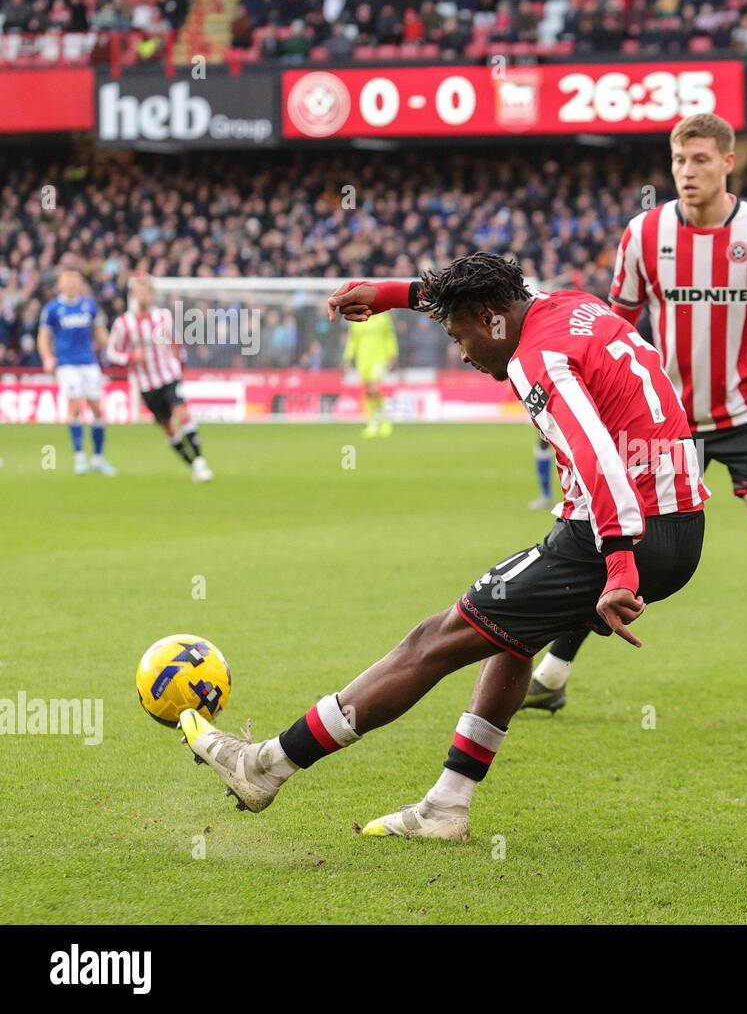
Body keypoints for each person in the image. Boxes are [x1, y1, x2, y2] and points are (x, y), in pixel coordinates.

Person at [180, 253, 709, 840]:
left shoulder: (538, 361)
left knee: (432, 642)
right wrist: (390, 293)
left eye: (460, 336)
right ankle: (445, 807)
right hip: (676, 521)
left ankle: (266, 767)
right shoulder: (568, 306)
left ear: (490, 321)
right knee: (511, 636)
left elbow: (598, 459)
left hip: (623, 528)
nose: (461, 352)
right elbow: (478, 289)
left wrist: (618, 564)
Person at [524, 113, 747, 729]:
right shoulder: (644, 234)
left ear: (727, 162)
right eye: (679, 162)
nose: (687, 173)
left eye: (699, 160)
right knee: (620, 536)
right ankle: (554, 674)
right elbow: (610, 331)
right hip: (662, 415)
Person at [105, 275, 212, 482]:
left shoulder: (163, 316)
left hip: (169, 375)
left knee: (182, 413)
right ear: (133, 295)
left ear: (152, 294)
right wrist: (131, 357)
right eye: (139, 291)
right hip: (146, 384)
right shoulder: (123, 323)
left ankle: (200, 460)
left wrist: (180, 364)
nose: (143, 295)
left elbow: (176, 342)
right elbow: (111, 353)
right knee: (168, 428)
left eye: (146, 291)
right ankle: (192, 465)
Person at [38, 268, 115, 475]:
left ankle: (98, 458)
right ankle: (79, 457)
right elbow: (43, 336)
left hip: (89, 362)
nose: (71, 284)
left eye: (75, 280)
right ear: (60, 284)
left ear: (80, 283)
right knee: (74, 405)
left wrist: (112, 347)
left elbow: (99, 331)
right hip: (67, 364)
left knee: (97, 408)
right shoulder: (53, 308)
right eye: (67, 281)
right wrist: (47, 357)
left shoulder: (89, 305)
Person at [343, 309, 398, 437]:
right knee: (368, 392)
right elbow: (352, 341)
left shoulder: (383, 317)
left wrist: (392, 355)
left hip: (379, 358)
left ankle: (383, 420)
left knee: (374, 389)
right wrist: (347, 357)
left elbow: (390, 337)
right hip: (363, 360)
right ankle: (373, 421)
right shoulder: (355, 319)